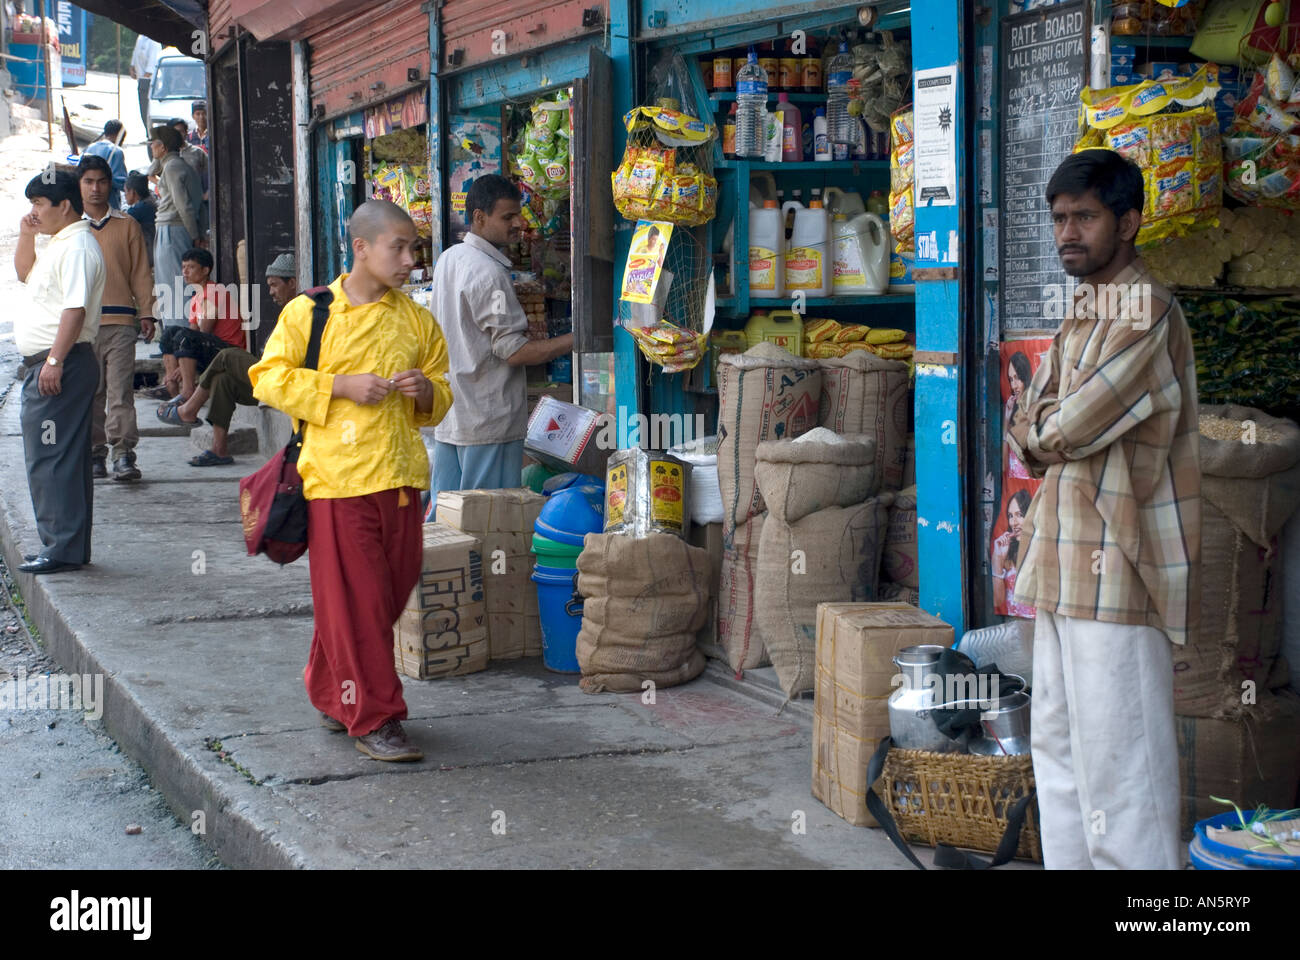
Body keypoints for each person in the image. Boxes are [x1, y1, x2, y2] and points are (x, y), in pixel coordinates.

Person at [1006, 149, 1201, 870]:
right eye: (1059, 218)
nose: (1067, 233)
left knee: (1124, 771)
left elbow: (1063, 426)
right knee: (1058, 755)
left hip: (1118, 566)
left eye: (1084, 217)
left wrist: (1039, 425)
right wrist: (1038, 425)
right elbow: (1026, 422)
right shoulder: (1086, 310)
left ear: (1129, 221)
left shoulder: (1145, 307)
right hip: (1059, 564)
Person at [249, 200, 452, 762]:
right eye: (400, 247)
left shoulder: (415, 317)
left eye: (415, 249)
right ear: (360, 247)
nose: (411, 260)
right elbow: (266, 379)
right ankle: (376, 717)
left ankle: (327, 683)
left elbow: (441, 389)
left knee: (380, 596)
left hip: (403, 477)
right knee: (360, 604)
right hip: (336, 482)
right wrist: (339, 387)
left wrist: (427, 391)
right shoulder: (310, 311)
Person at [429, 174, 572, 510]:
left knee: (446, 519)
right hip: (486, 419)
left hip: (453, 414)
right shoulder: (487, 272)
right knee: (486, 521)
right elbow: (514, 352)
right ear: (480, 218)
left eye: (517, 215)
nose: (518, 224)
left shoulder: (450, 257)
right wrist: (576, 340)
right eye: (507, 217)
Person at [13, 169, 106, 575]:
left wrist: (54, 360)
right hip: (53, 364)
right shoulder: (60, 243)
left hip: (60, 365)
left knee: (51, 458)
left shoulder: (78, 247)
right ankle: (66, 546)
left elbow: (75, 309)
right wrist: (26, 234)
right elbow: (23, 273)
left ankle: (61, 548)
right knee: (59, 457)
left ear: (64, 206)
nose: (34, 211)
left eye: (39, 204)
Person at [166, 253, 300, 466]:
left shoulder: (304, 311)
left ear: (292, 283)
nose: (271, 292)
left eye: (274, 285)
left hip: (285, 380)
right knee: (223, 380)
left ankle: (189, 406)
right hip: (269, 379)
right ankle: (219, 450)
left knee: (226, 355)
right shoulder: (289, 310)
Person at [78, 156, 155, 483]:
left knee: (120, 392)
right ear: (79, 185)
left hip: (122, 322)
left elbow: (140, 272)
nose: (95, 189)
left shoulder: (127, 226)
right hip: (80, 327)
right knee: (90, 393)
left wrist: (147, 312)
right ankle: (95, 454)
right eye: (88, 182)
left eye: (101, 181)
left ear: (111, 184)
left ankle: (123, 453)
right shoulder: (71, 229)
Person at [154, 247, 241, 405]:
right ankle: (171, 385)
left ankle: (187, 392)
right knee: (170, 333)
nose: (185, 272)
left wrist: (184, 363)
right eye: (183, 267)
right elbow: (192, 330)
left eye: (191, 267)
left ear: (205, 270)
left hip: (228, 351)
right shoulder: (196, 297)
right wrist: (182, 360)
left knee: (186, 339)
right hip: (208, 346)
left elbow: (203, 332)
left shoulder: (215, 291)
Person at [150, 125, 203, 330]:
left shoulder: (172, 167)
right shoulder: (174, 164)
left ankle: (178, 336)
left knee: (174, 287)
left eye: (153, 144)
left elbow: (184, 206)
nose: (151, 147)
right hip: (172, 229)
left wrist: (194, 236)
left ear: (162, 146)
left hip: (173, 229)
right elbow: (150, 171)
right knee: (171, 286)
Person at [990, 489, 1033, 618]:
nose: (1014, 523)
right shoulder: (1007, 552)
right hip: (1012, 624)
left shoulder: (1040, 548)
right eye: (1010, 516)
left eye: (1019, 514)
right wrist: (998, 559)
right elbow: (997, 601)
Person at [82, 120, 127, 210]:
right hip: (108, 203)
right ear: (119, 135)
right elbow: (122, 183)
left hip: (88, 203)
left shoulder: (89, 148)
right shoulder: (116, 151)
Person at [1003, 350, 1033, 482]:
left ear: (1025, 377)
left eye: (1017, 378)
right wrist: (1006, 418)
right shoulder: (1012, 415)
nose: (1013, 386)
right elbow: (1004, 467)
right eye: (1011, 379)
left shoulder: (1036, 409)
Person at [129, 34, 161, 134]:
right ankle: (148, 133)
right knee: (143, 112)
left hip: (149, 83)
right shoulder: (141, 37)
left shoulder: (154, 41)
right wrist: (132, 67)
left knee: (147, 113)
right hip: (141, 80)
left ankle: (151, 134)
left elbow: (152, 66)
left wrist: (144, 78)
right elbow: (135, 53)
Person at [124, 171, 156, 266]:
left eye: (125, 191)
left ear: (133, 192)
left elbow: (121, 222)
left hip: (149, 254)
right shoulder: (151, 201)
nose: (125, 196)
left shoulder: (139, 209)